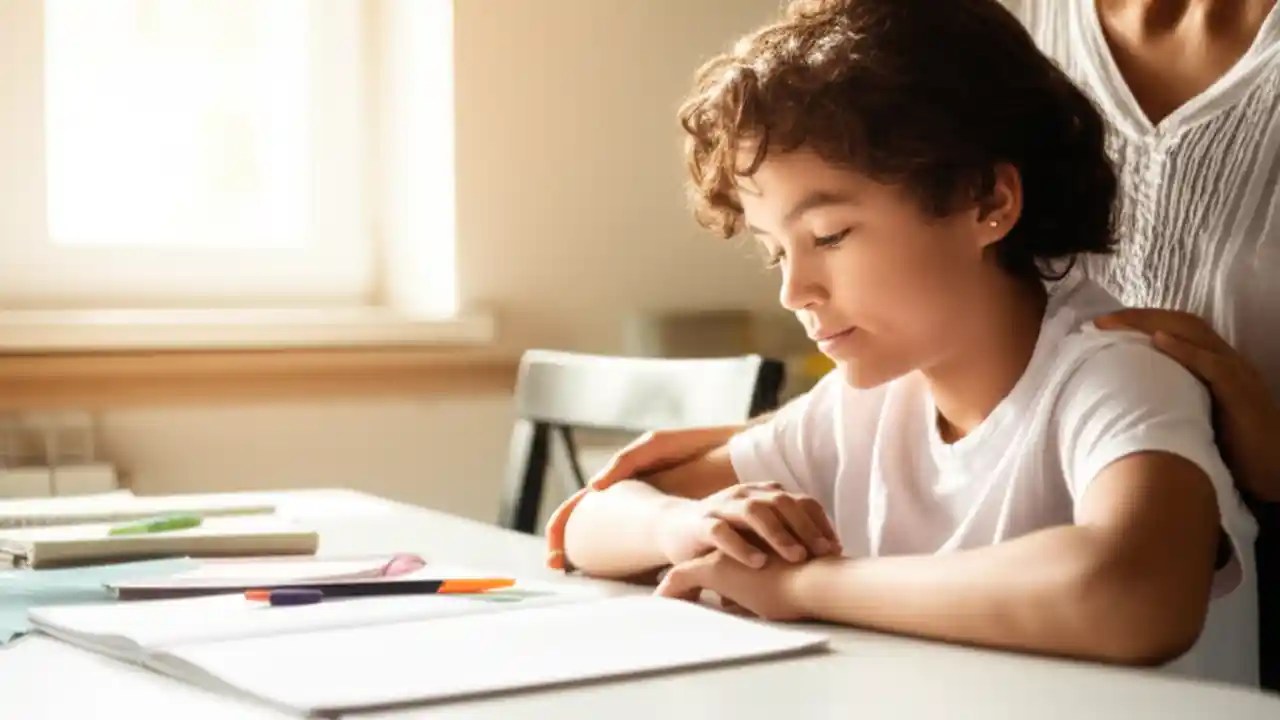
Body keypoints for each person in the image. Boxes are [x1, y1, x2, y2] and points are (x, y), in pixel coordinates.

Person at [551, 0, 1280, 689]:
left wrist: (805, 585)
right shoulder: (866, 403)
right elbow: (586, 521)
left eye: (830, 236)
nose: (794, 290)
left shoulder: (1121, 375)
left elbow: (1133, 592)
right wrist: (682, 524)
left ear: (988, 202)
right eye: (777, 252)